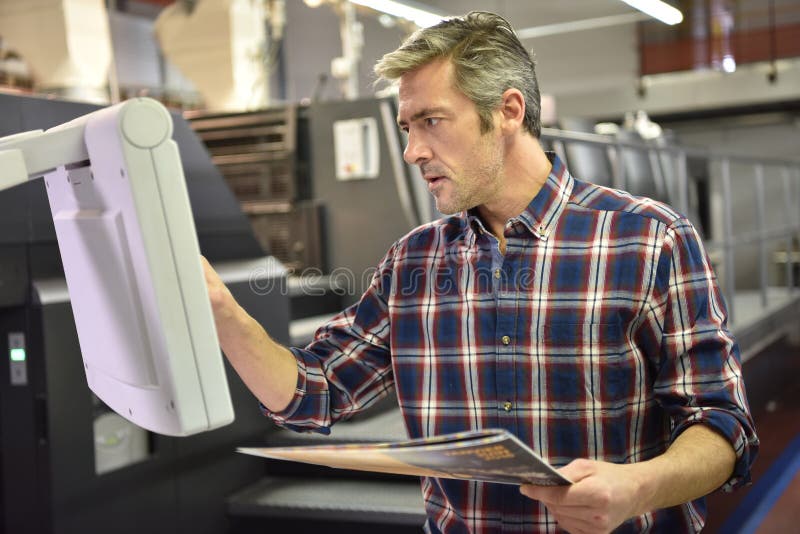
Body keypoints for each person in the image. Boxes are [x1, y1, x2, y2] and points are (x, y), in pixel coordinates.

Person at [202, 11, 758, 533]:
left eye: (431, 121)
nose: (412, 151)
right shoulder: (413, 262)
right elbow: (313, 393)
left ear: (509, 111)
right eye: (407, 127)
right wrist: (223, 313)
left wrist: (638, 487)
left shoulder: (649, 239)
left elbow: (722, 426)